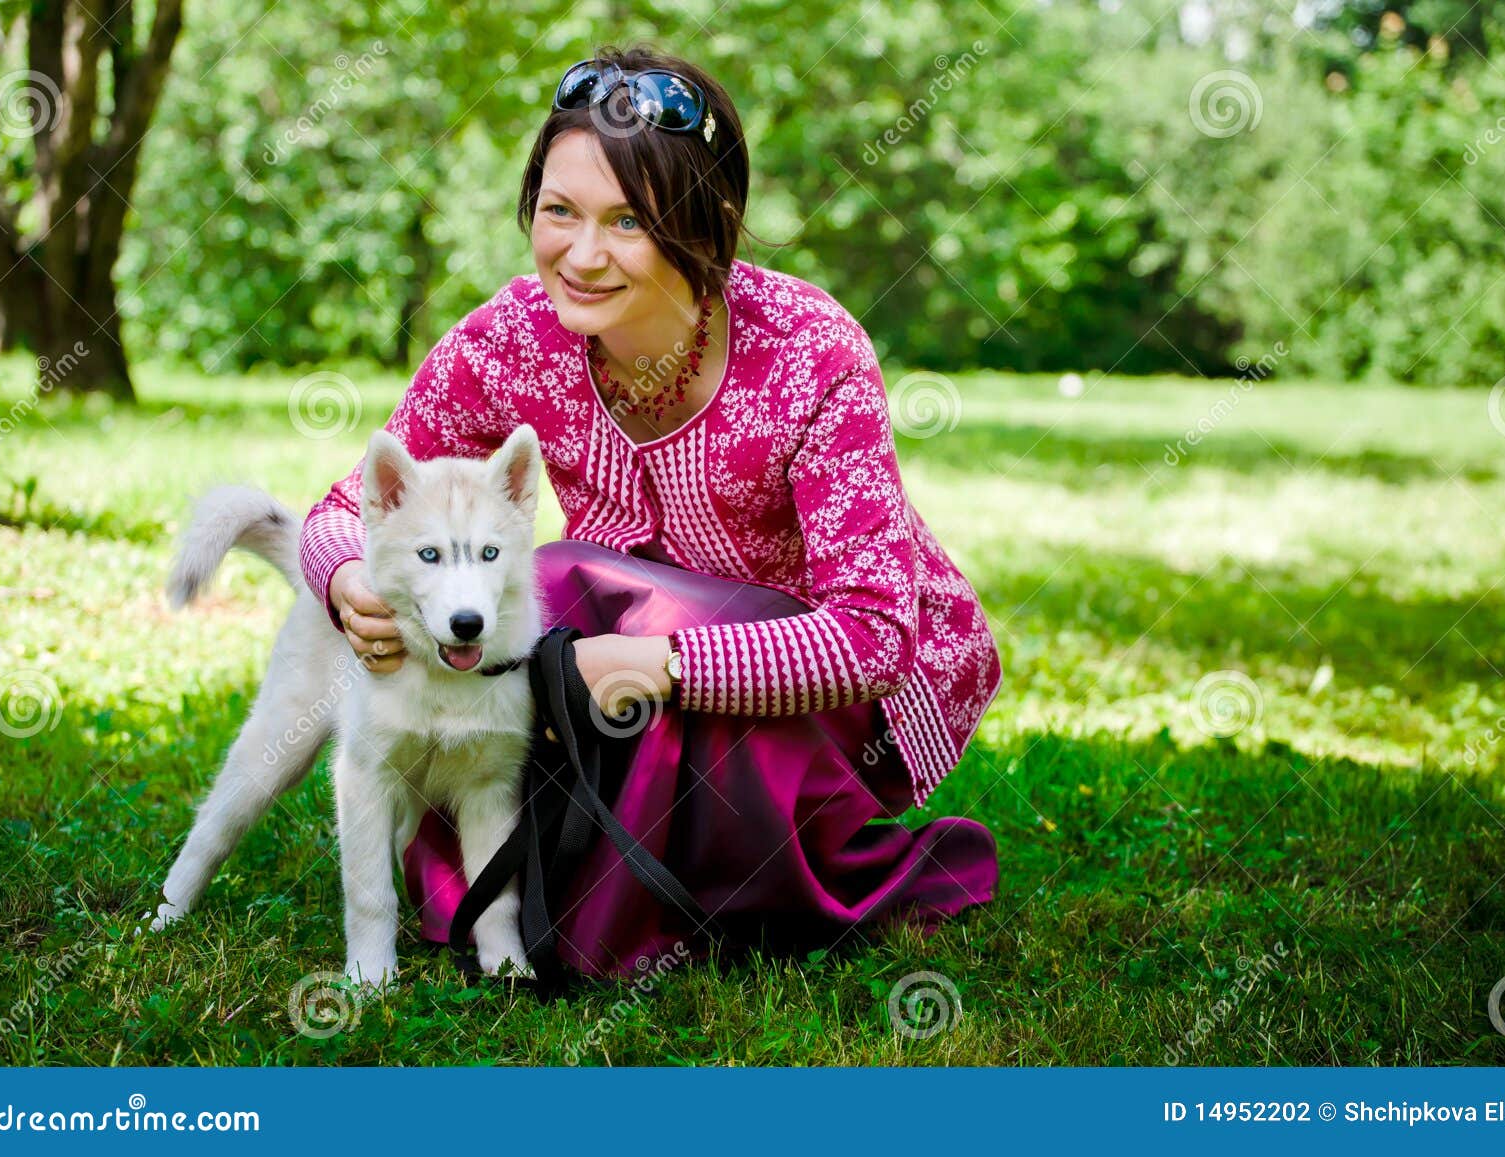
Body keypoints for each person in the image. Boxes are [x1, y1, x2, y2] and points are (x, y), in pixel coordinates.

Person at [297, 44, 1003, 980]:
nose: (581, 256)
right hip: (624, 653)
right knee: (545, 589)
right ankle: (556, 878)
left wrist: (658, 663)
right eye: (559, 212)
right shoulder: (510, 340)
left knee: (588, 604)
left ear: (703, 227)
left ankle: (735, 879)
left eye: (628, 221)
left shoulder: (809, 350)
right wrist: (351, 582)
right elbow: (343, 510)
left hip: (828, 694)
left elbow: (873, 635)